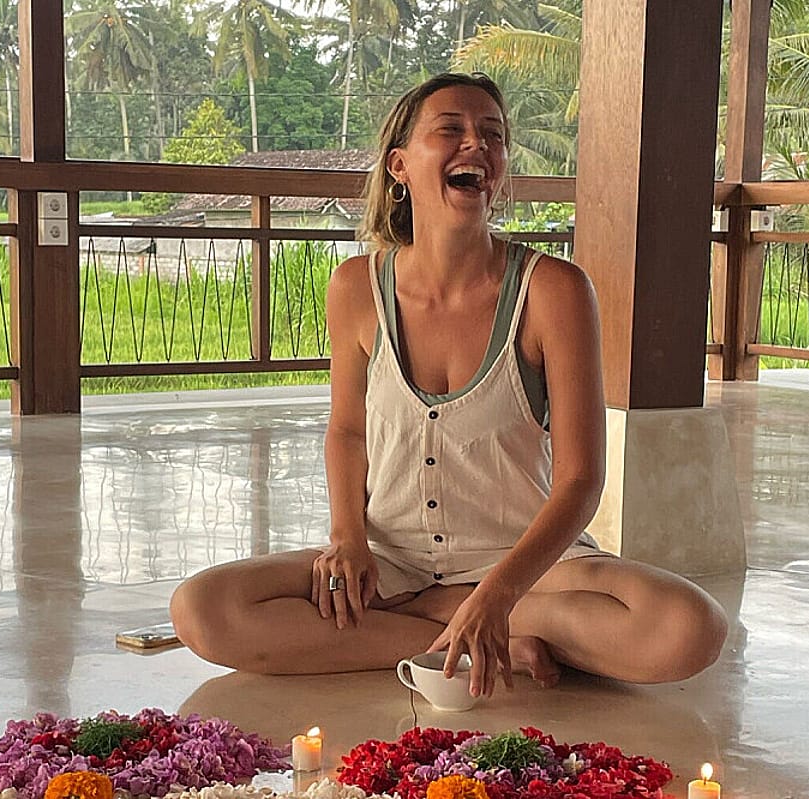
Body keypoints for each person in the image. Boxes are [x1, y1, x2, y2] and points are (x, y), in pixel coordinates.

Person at [170, 73, 728, 697]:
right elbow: (348, 432)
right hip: (392, 561)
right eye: (452, 130)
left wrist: (497, 593)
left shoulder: (554, 291)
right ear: (400, 165)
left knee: (688, 627)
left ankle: (453, 619)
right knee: (203, 608)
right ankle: (467, 640)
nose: (477, 146)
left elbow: (579, 480)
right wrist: (348, 539)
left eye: (493, 135)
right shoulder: (356, 286)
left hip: (526, 568)